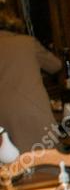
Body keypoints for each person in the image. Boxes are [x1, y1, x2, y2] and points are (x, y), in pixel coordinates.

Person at [0, 8, 62, 152]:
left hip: (2, 116)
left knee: (9, 165)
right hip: (31, 110)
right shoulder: (27, 42)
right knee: (47, 161)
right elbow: (55, 65)